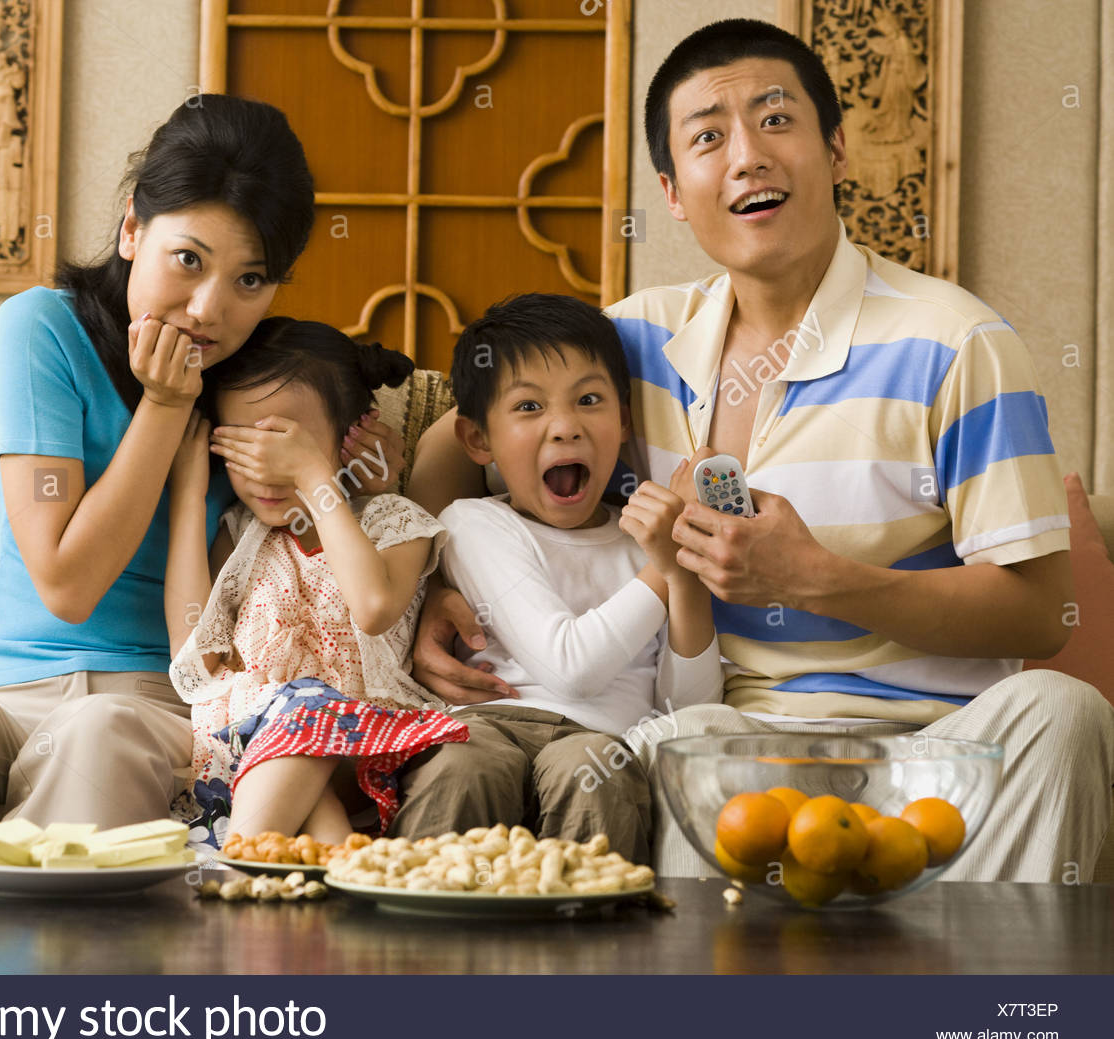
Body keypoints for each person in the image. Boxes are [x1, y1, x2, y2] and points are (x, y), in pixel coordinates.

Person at [405, 19, 1114, 882]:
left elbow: (1040, 614)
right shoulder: (630, 344)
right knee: (658, 744)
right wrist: (443, 580)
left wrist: (817, 577)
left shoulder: (959, 343)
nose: (746, 156)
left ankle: (987, 1002)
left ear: (838, 148)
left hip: (939, 750)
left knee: (1065, 710)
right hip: (728, 746)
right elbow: (462, 436)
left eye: (776, 120)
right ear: (672, 191)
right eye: (708, 137)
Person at [0, 95, 405, 863]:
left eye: (249, 280)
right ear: (133, 228)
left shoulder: (259, 382)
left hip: (153, 706)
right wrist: (164, 407)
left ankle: (26, 981)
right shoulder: (42, 329)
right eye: (188, 260)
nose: (208, 309)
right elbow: (66, 581)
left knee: (100, 732)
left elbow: (351, 550)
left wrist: (380, 476)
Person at [389, 294, 723, 863]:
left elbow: (684, 706)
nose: (565, 427)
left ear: (624, 420)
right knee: (460, 770)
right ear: (477, 440)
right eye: (528, 407)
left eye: (589, 400)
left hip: (604, 742)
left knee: (592, 775)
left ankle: (587, 945)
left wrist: (682, 573)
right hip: (490, 725)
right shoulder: (474, 523)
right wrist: (661, 568)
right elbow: (571, 669)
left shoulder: (642, 540)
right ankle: (426, 944)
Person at [165, 318, 468, 852]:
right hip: (251, 749)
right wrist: (191, 494)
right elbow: (197, 655)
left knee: (306, 709)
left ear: (350, 435)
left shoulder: (392, 521)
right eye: (243, 447)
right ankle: (321, 860)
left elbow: (374, 608)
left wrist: (316, 477)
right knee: (290, 723)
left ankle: (244, 864)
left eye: (284, 445)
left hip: (367, 745)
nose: (266, 469)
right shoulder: (241, 535)